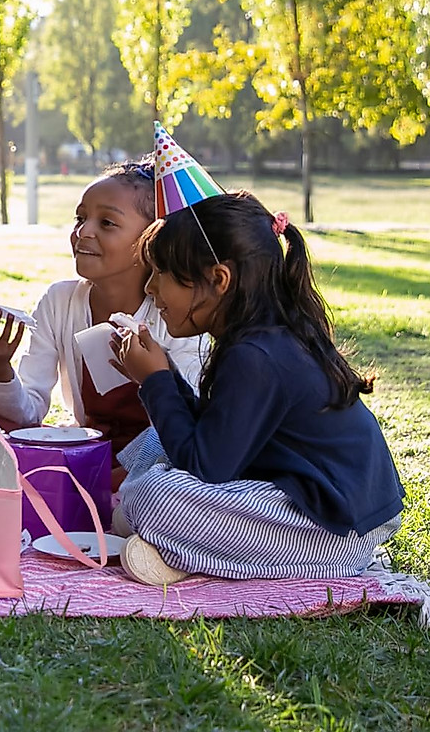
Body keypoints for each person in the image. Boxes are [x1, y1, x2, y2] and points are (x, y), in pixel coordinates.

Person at [111, 135, 404, 586]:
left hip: (333, 529)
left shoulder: (257, 355)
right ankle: (189, 552)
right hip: (317, 506)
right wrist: (165, 372)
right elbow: (218, 439)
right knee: (152, 451)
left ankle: (191, 556)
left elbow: (204, 467)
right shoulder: (261, 337)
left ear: (218, 279)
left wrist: (154, 382)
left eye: (162, 276)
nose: (150, 290)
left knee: (152, 496)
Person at [0, 161, 207, 474]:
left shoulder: (175, 314)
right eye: (81, 217)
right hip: (84, 451)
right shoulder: (59, 301)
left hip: (154, 460)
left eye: (107, 223)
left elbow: (188, 424)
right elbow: (28, 414)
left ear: (153, 238)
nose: (83, 232)